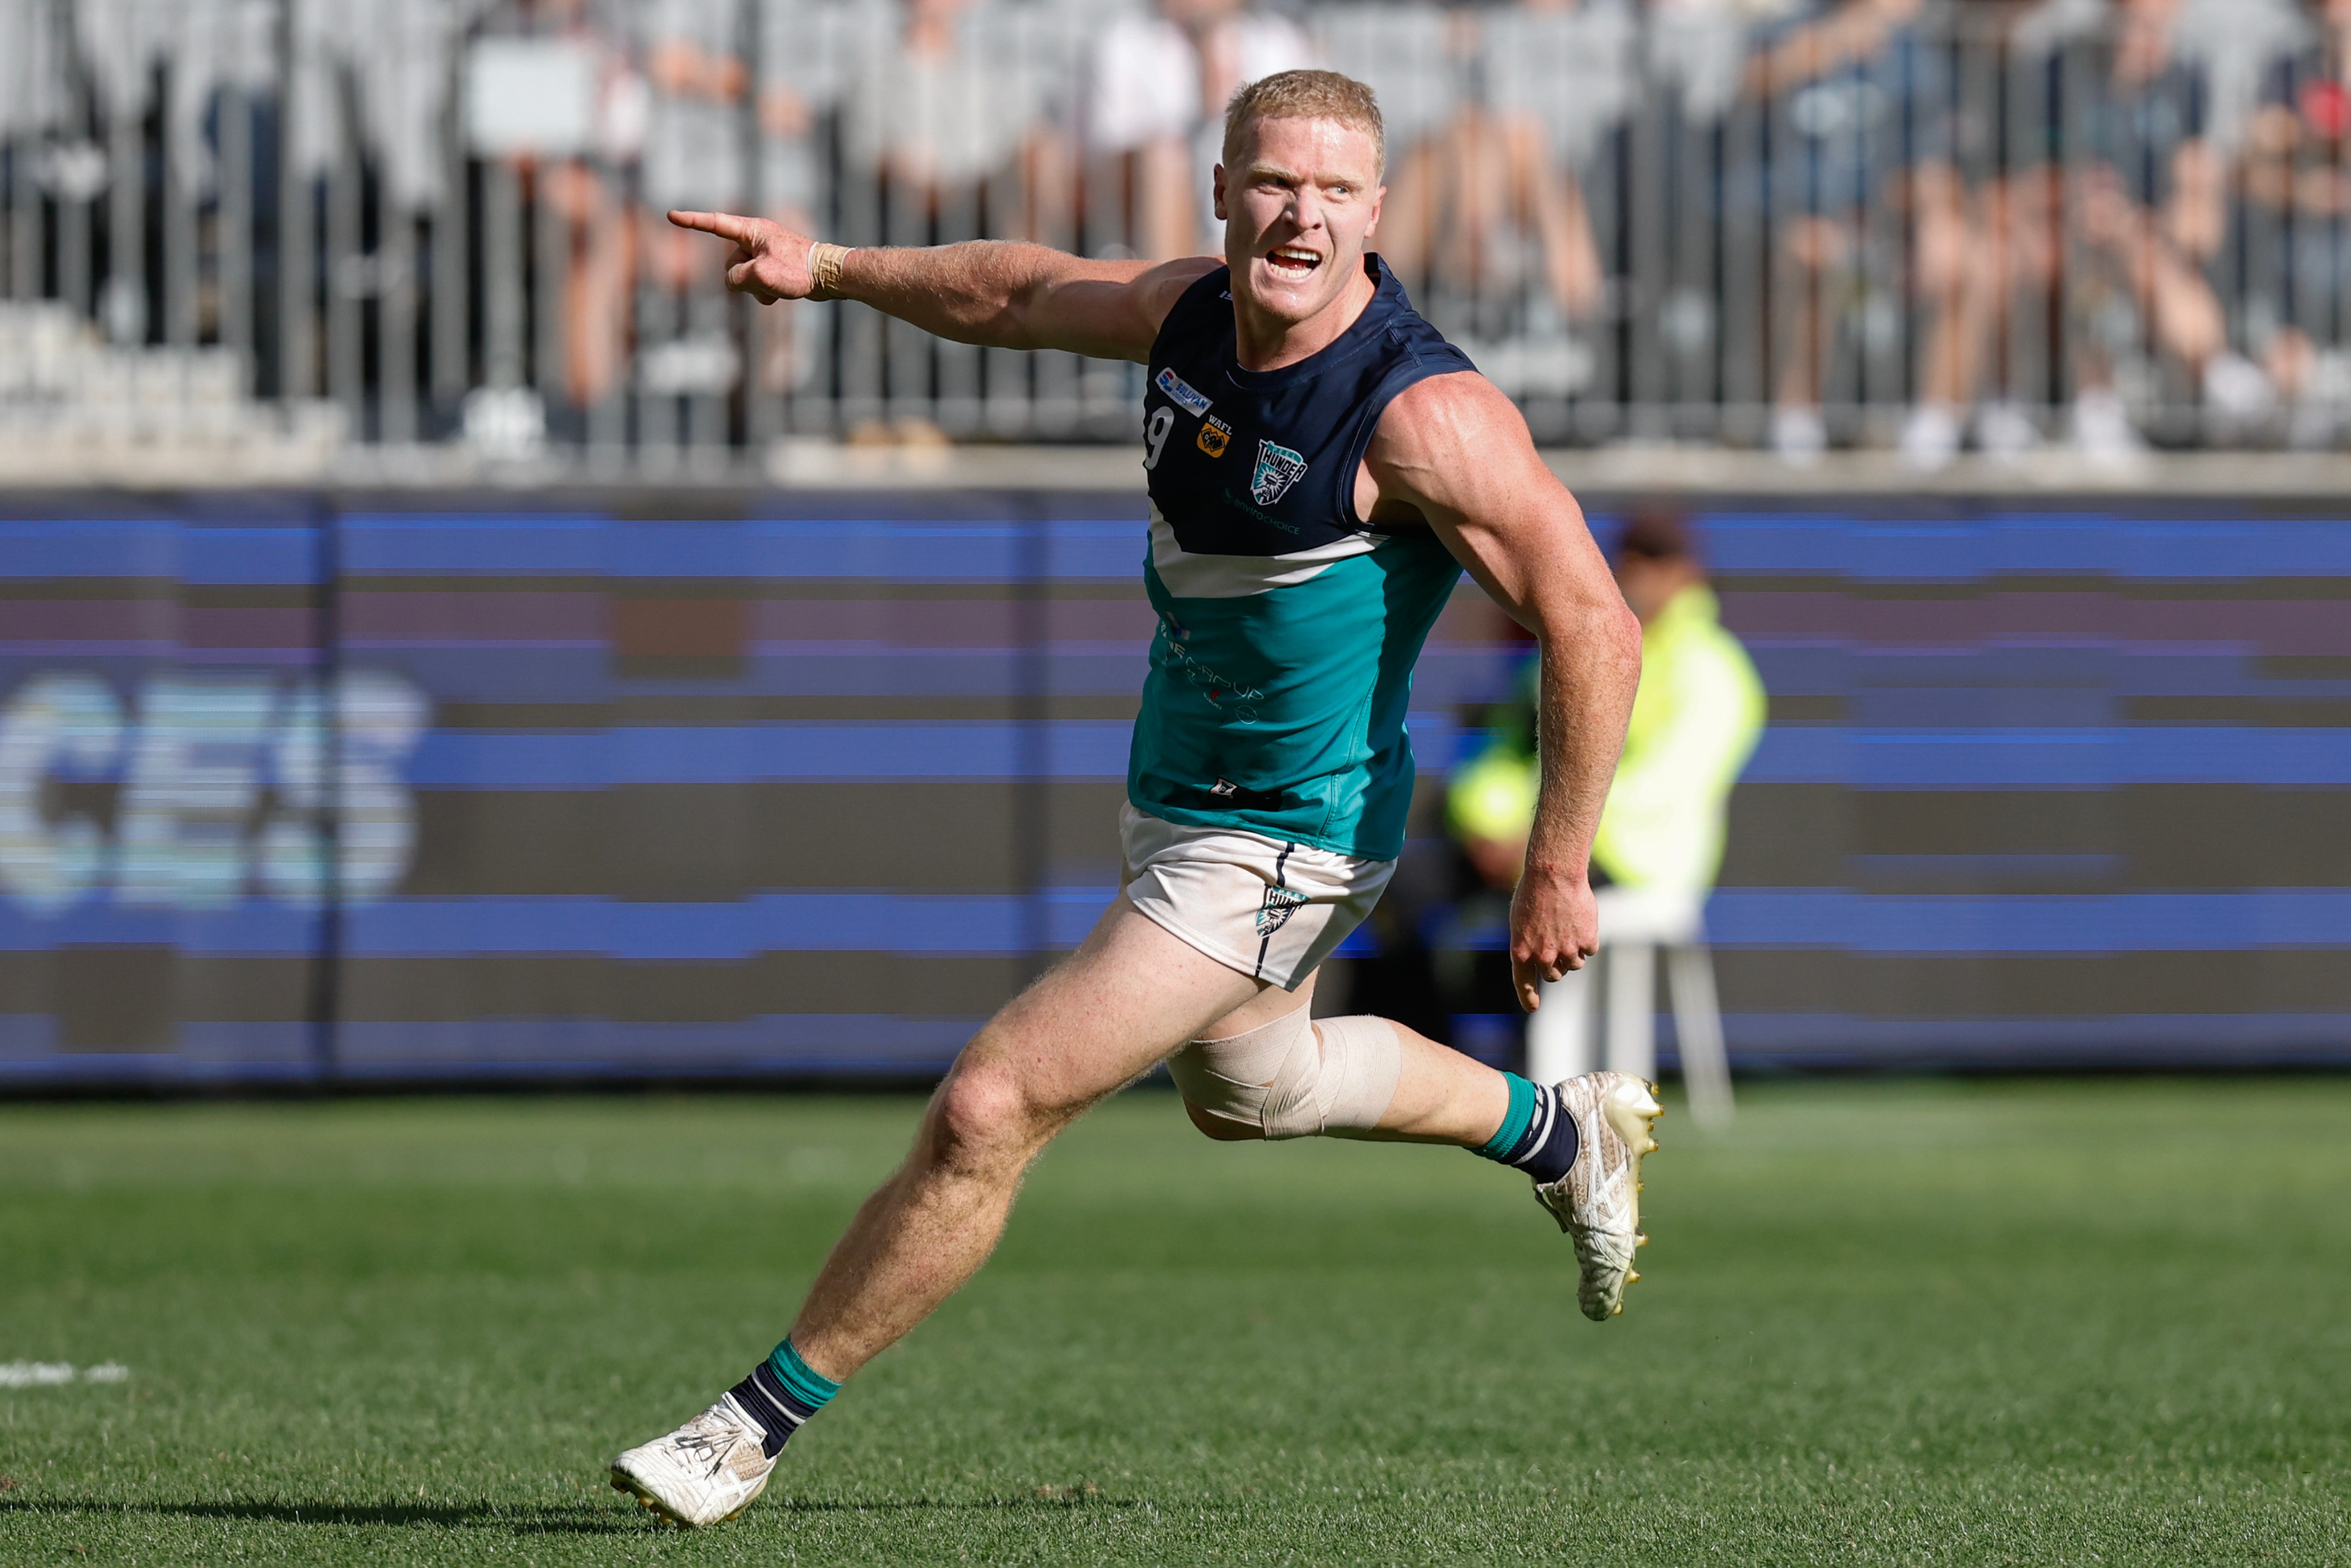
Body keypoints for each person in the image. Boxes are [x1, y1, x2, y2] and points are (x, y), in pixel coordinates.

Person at [618, 68, 1655, 1530]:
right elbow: (1018, 291)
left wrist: (1556, 867)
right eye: (1272, 182)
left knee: (991, 1103)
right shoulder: (1186, 309)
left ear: (1376, 212)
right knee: (1254, 1091)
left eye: (1333, 190)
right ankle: (1558, 1132)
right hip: (1179, 791)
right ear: (1220, 190)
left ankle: (749, 1424)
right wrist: (835, 268)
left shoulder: (1424, 415)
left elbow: (1595, 623)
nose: (1299, 214)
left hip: (1285, 831)